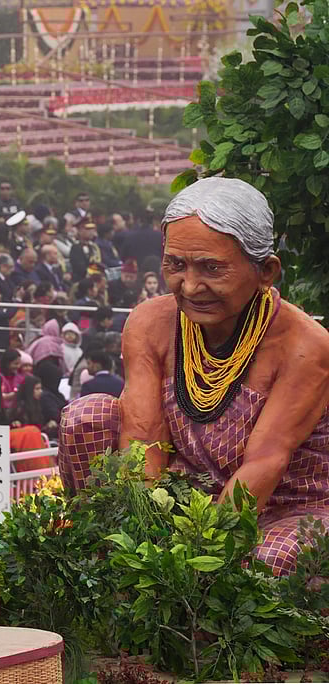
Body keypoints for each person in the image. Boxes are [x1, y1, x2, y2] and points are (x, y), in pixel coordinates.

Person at [59, 177, 329, 576]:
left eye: (212, 268)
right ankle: (102, 565)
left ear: (266, 271)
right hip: (187, 499)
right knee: (88, 418)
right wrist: (143, 544)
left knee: (268, 561)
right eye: (175, 265)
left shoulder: (305, 345)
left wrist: (193, 560)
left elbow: (266, 461)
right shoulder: (151, 322)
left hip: (286, 508)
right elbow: (142, 440)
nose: (190, 286)